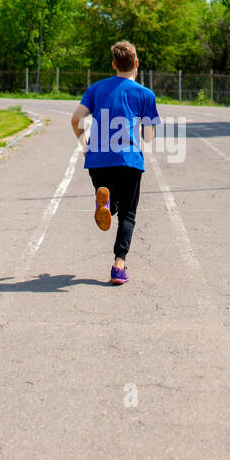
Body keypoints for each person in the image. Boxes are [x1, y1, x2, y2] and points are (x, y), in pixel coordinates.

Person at [70, 41, 160, 285]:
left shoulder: (97, 88)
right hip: (128, 158)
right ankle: (119, 265)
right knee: (128, 215)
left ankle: (107, 204)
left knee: (112, 200)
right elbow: (149, 136)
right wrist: (143, 130)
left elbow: (77, 118)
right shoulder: (145, 94)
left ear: (113, 64)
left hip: (98, 159)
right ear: (136, 64)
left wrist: (85, 144)